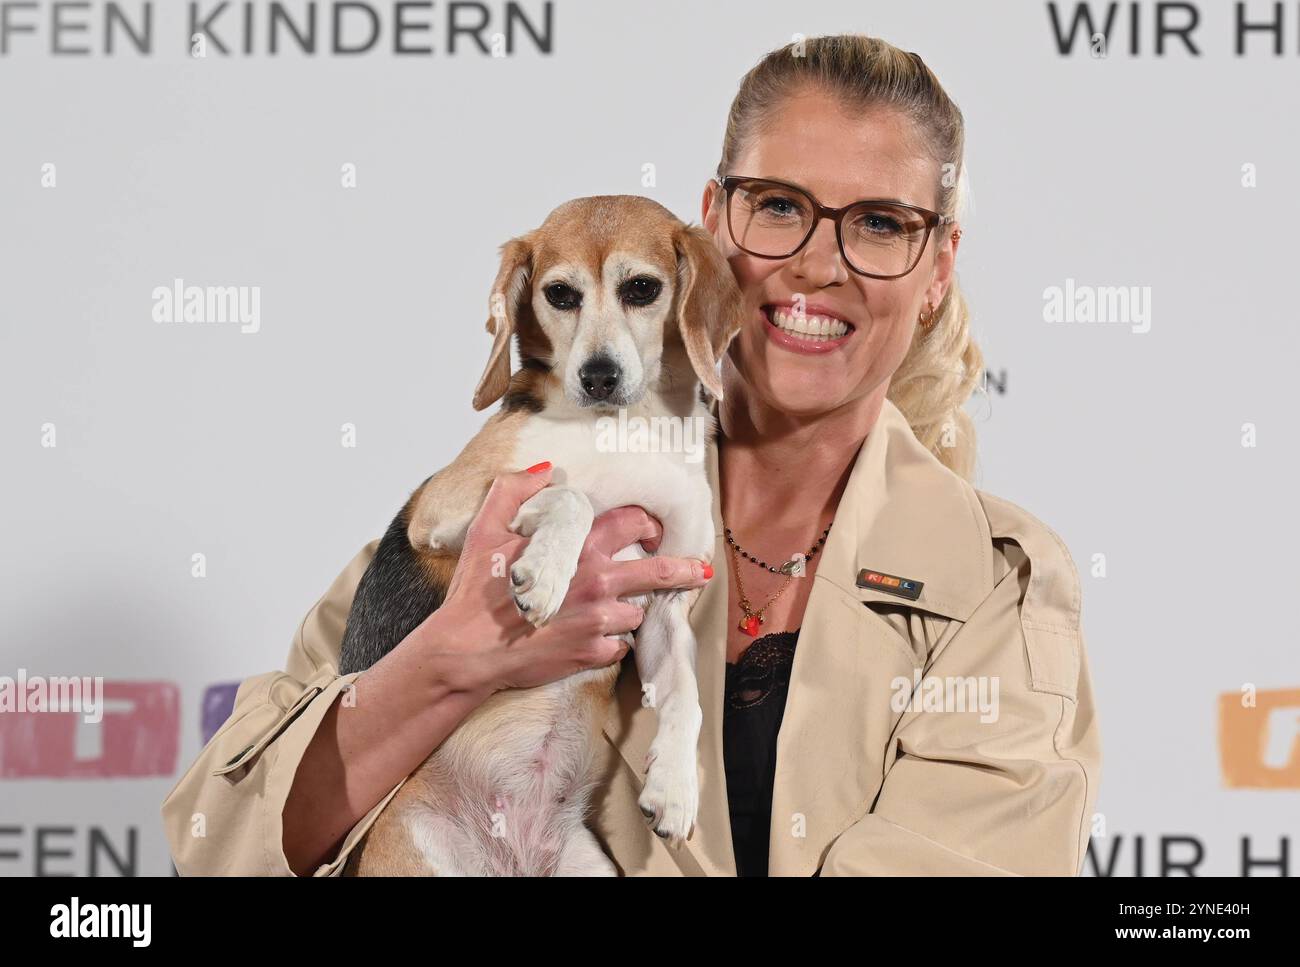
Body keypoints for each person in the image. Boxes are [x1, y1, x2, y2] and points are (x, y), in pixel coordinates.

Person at [162, 33, 1100, 877]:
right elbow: (223, 840)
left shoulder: (995, 584)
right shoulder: (507, 495)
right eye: (780, 207)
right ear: (711, 227)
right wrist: (452, 659)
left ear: (937, 271)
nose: (821, 263)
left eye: (882, 224)